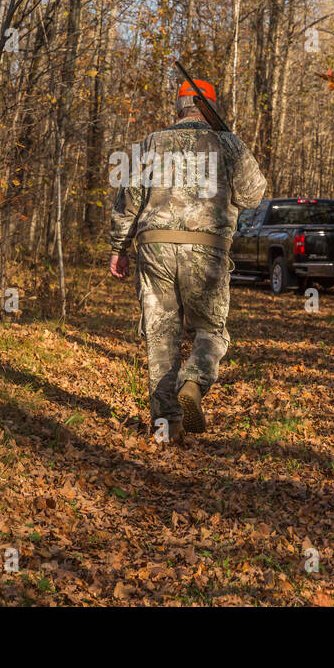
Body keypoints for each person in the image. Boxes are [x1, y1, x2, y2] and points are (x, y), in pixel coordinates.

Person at [108, 77, 266, 442]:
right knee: (211, 330)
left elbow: (127, 199)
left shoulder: (152, 142)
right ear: (210, 108)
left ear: (178, 108)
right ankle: (193, 380)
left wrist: (118, 248)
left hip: (154, 246)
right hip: (207, 248)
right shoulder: (228, 143)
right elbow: (253, 195)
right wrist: (235, 150)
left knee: (161, 337)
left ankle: (167, 426)